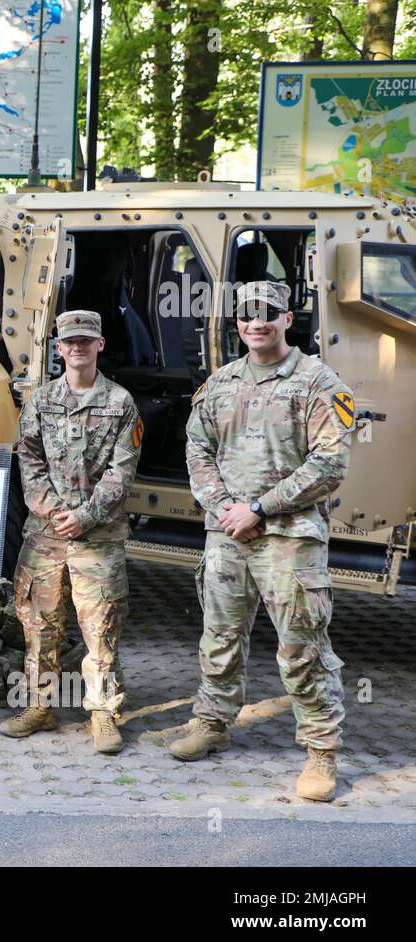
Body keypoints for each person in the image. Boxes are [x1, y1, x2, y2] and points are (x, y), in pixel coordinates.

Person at [171, 280, 354, 802]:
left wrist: (258, 508)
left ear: (287, 319)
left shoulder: (321, 382)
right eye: (248, 314)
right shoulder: (220, 383)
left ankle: (321, 749)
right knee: (220, 635)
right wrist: (226, 509)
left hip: (290, 538)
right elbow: (197, 450)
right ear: (237, 322)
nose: (257, 323)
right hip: (227, 533)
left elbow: (329, 464)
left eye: (268, 313)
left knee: (302, 647)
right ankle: (211, 721)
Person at [2, 309, 142, 754]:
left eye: (86, 340)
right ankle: (40, 706)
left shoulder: (121, 403)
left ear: (100, 345)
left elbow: (123, 472)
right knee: (39, 626)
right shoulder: (40, 401)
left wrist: (85, 515)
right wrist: (53, 509)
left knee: (100, 628)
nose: (77, 347)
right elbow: (28, 458)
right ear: (58, 348)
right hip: (45, 536)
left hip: (97, 538)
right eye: (69, 341)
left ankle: (102, 712)